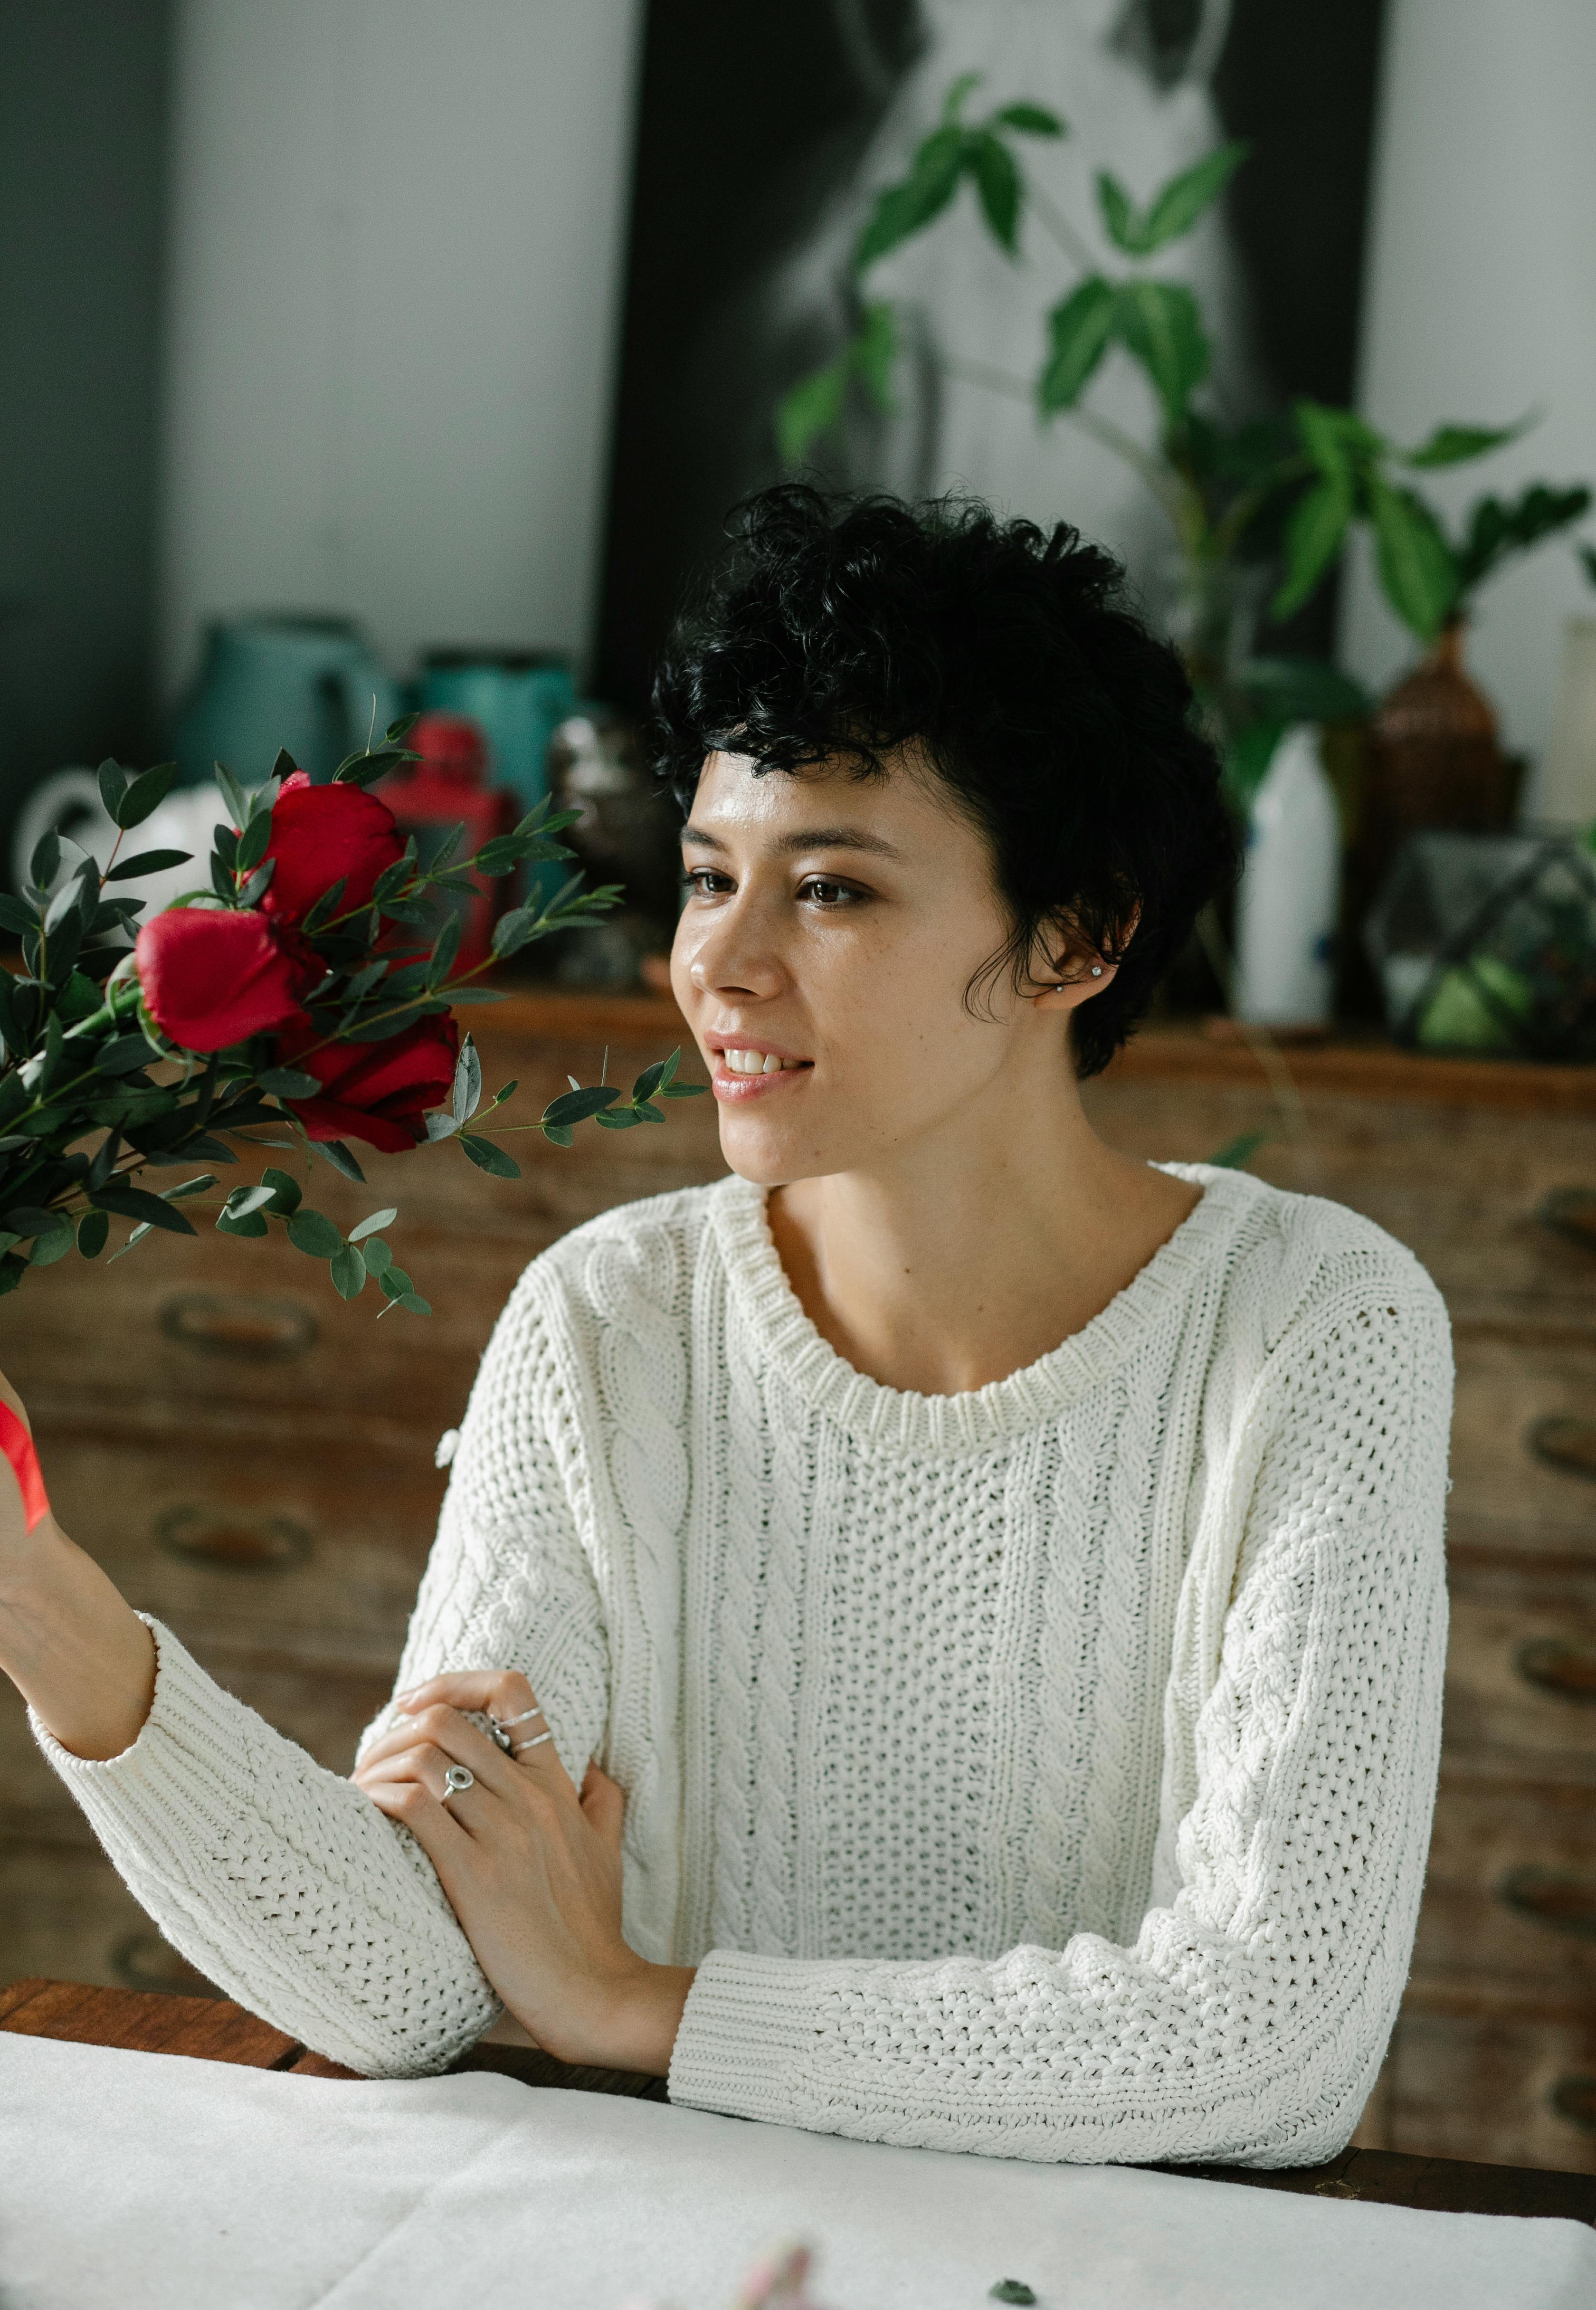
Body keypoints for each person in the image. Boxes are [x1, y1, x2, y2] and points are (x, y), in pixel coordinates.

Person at [0, 489, 1451, 2166]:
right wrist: (43, 1604)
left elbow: (1270, 2045)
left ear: (1077, 936)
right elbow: (411, 1977)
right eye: (706, 878)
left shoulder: (1318, 1330)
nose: (721, 967)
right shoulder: (611, 1319)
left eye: (829, 890)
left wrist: (635, 2003)